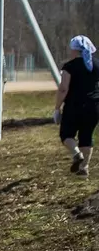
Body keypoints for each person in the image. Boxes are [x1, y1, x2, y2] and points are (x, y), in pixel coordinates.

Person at [53, 35, 99, 177]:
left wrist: (57, 108)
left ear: (75, 50)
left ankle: (76, 154)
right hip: (94, 107)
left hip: (74, 107)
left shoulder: (70, 66)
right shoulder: (97, 64)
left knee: (66, 134)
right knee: (87, 136)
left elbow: (63, 89)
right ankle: (84, 169)